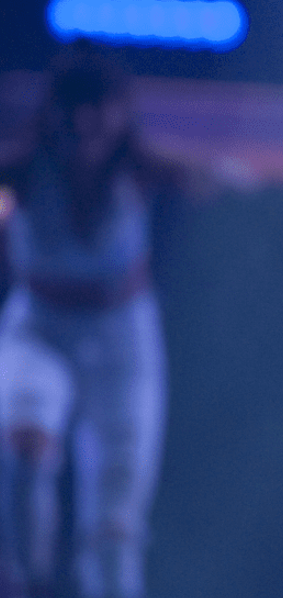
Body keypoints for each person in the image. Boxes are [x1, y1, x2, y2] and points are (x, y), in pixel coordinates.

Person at [0, 41, 182, 598]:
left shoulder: (143, 172)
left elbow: (211, 173)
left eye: (98, 108)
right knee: (23, 451)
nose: (84, 124)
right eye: (73, 108)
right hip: (40, 326)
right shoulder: (22, 173)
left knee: (115, 525)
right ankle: (24, 578)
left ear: (120, 115)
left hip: (121, 337)